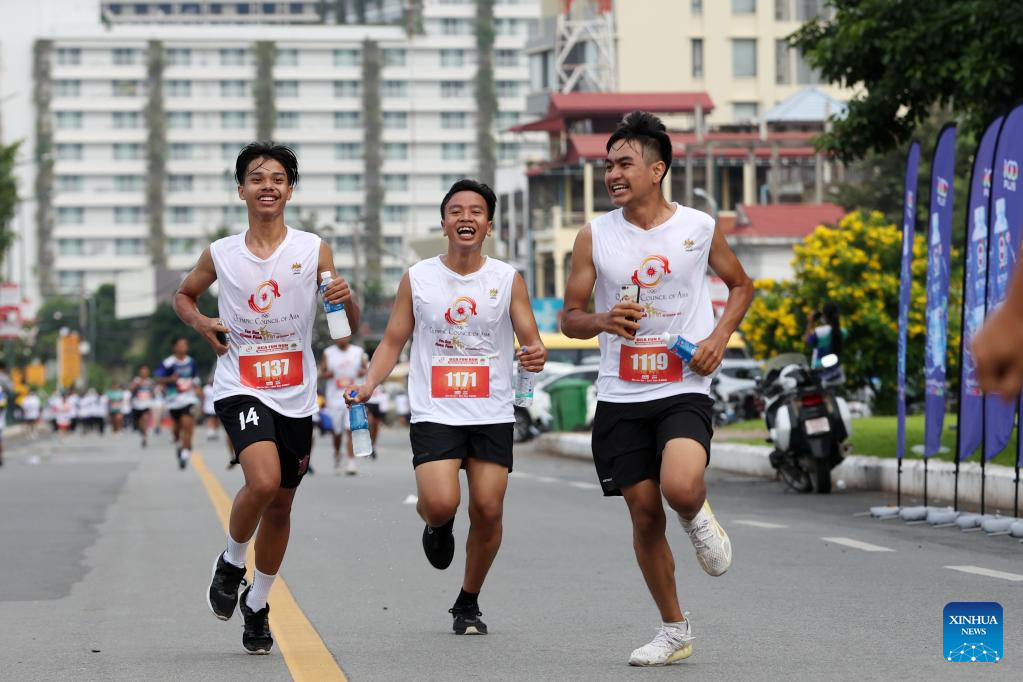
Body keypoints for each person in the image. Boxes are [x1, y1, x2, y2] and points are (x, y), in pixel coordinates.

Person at [561, 111, 754, 666]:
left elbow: (740, 285)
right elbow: (572, 317)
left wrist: (719, 337)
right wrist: (602, 321)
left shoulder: (697, 227)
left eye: (624, 164)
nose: (613, 174)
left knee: (682, 486)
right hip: (621, 392)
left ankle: (697, 518)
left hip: (683, 383)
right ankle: (674, 629)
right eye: (608, 166)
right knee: (644, 514)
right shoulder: (594, 236)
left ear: (657, 169)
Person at [173, 142, 358, 655]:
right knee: (264, 478)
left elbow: (345, 331)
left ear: (290, 190)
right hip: (241, 384)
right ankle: (233, 560)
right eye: (257, 177)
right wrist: (203, 322)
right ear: (242, 190)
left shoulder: (312, 249)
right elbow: (183, 295)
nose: (268, 185)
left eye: (278, 177)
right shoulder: (222, 252)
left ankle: (258, 602)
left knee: (280, 507)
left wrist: (347, 299)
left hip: (295, 394)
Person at [348, 179, 546, 636]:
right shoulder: (418, 278)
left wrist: (534, 353)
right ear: (444, 223)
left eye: (476, 212)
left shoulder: (506, 278)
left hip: (491, 412)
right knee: (440, 503)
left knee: (489, 510)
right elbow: (393, 340)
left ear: (489, 226)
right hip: (436, 411)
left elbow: (531, 341)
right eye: (456, 211)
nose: (466, 218)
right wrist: (369, 384)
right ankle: (438, 527)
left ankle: (468, 602)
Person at [319, 337, 369, 475]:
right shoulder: (328, 352)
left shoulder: (357, 352)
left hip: (353, 396)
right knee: (337, 432)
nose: (342, 339)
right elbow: (322, 372)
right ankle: (337, 453)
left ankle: (351, 461)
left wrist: (362, 372)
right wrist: (327, 374)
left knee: (350, 428)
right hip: (334, 398)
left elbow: (366, 369)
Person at [155, 337, 203, 469]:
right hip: (173, 400)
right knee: (176, 429)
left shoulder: (191, 362)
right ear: (174, 347)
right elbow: (158, 379)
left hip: (188, 398)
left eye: (185, 344)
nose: (184, 347)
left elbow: (195, 378)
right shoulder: (168, 363)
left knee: (187, 425)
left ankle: (185, 454)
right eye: (181, 345)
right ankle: (179, 445)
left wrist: (198, 389)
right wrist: (170, 379)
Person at [130, 366, 156, 447]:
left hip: (147, 403)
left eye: (145, 372)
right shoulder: (136, 380)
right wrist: (137, 385)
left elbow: (153, 393)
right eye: (142, 372)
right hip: (137, 404)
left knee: (145, 419)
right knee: (139, 421)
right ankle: (141, 430)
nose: (144, 373)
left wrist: (152, 395)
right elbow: (131, 389)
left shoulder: (150, 381)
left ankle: (145, 437)